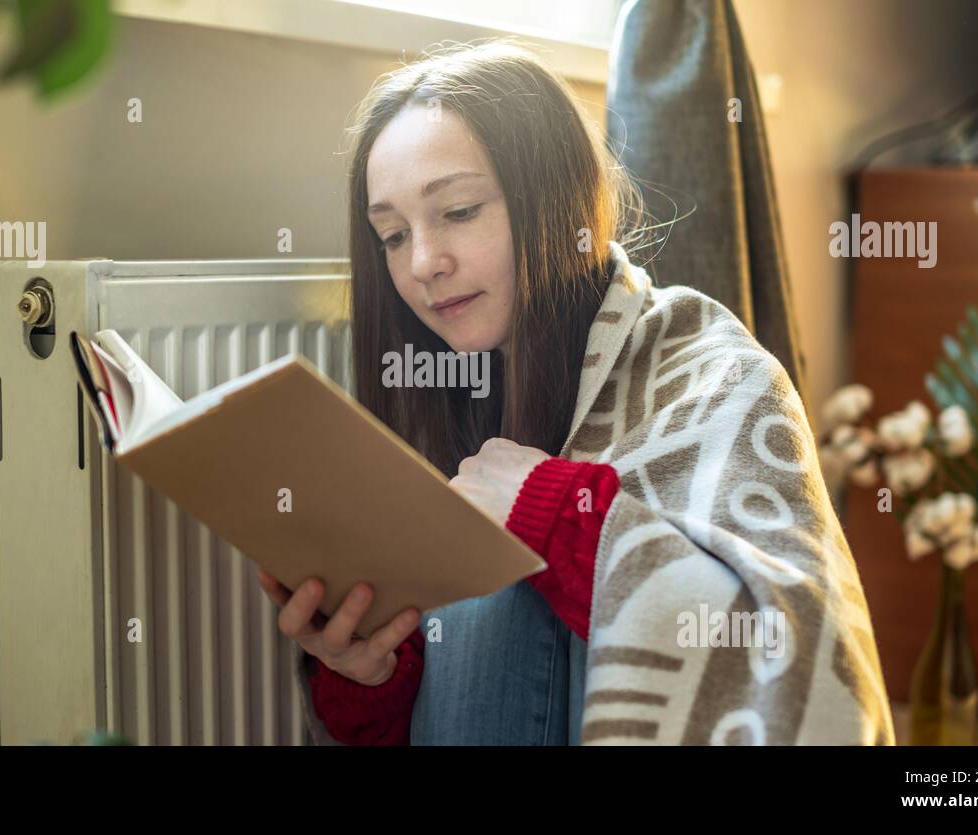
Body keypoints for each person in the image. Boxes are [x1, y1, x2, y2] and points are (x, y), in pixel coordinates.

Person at [256, 39, 894, 746]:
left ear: (558, 202)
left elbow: (796, 661)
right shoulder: (428, 395)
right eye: (393, 233)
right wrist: (369, 673)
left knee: (495, 565)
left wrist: (550, 512)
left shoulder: (709, 366)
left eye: (460, 211)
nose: (423, 263)